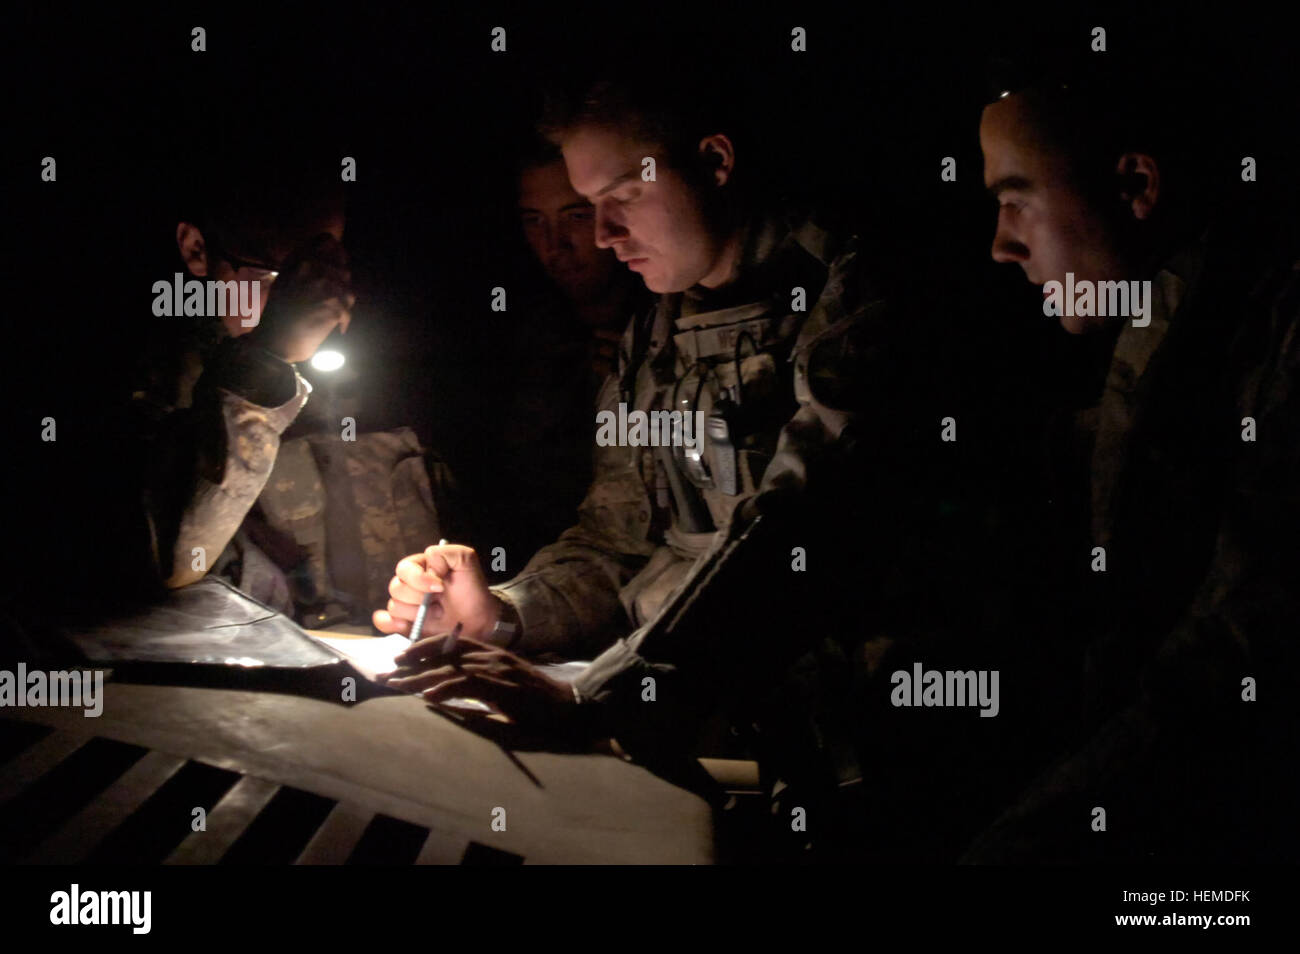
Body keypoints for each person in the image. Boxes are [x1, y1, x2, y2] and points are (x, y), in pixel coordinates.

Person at [374, 68, 907, 793]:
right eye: (588, 205)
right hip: (722, 732)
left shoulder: (858, 296)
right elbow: (618, 536)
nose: (600, 234)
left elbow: (795, 532)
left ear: (716, 163)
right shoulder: (658, 324)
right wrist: (500, 613)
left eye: (622, 197)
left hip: (871, 750)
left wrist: (597, 698)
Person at [960, 54, 1300, 862]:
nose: (1002, 247)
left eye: (1016, 202)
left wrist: (1030, 836)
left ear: (1136, 186)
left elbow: (1243, 643)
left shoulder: (1270, 336)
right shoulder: (1176, 331)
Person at [471, 138, 646, 571]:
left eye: (576, 216)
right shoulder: (516, 337)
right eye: (534, 220)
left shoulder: (666, 326)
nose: (555, 244)